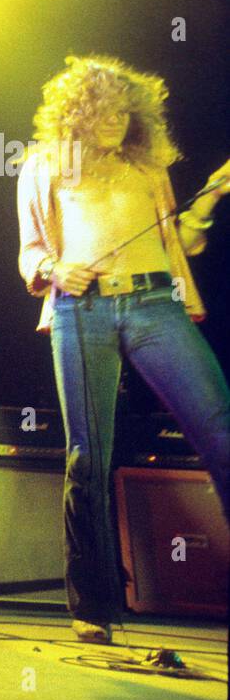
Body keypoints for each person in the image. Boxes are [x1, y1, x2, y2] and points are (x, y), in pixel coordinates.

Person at [16, 55, 229, 643]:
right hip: (81, 313)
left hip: (156, 306)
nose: (113, 120)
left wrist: (207, 200)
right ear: (78, 113)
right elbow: (31, 250)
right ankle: (93, 606)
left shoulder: (148, 165)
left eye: (123, 111)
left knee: (221, 432)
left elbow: (179, 242)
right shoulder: (45, 164)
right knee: (87, 457)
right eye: (101, 110)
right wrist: (58, 269)